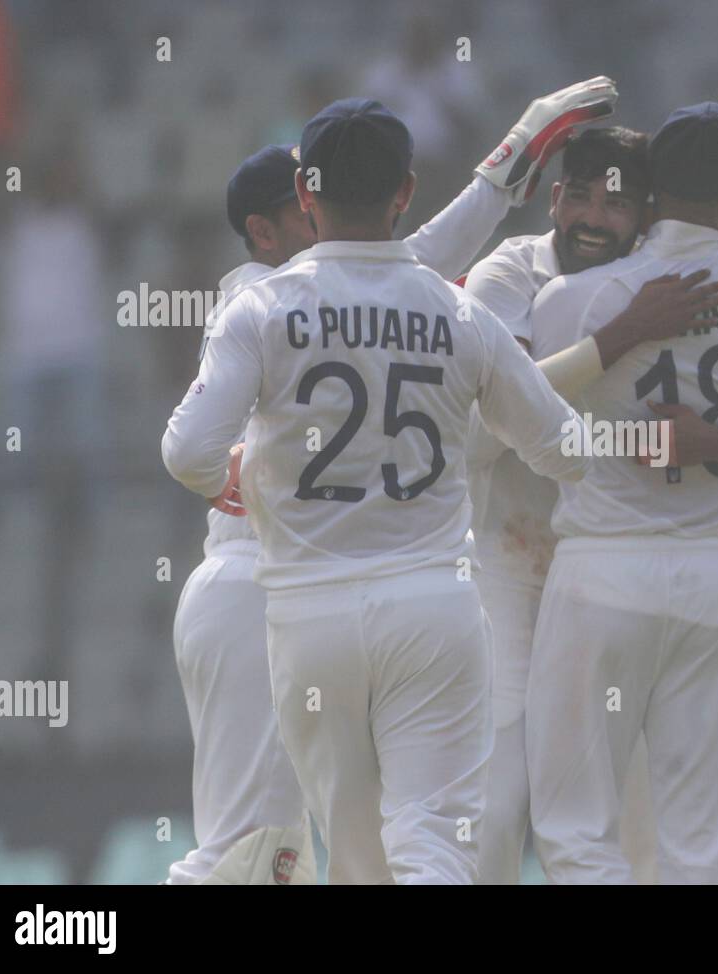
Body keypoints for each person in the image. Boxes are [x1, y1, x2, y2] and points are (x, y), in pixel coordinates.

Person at [166, 77, 615, 885]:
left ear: (312, 199)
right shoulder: (410, 303)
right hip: (383, 599)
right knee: (348, 845)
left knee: (322, 857)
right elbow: (559, 441)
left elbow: (388, 270)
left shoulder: (276, 303)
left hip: (300, 605)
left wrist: (236, 476)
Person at [524, 103, 718, 884]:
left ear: (649, 199)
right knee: (704, 845)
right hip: (714, 582)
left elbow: (513, 413)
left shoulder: (575, 299)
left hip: (601, 575)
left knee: (578, 832)